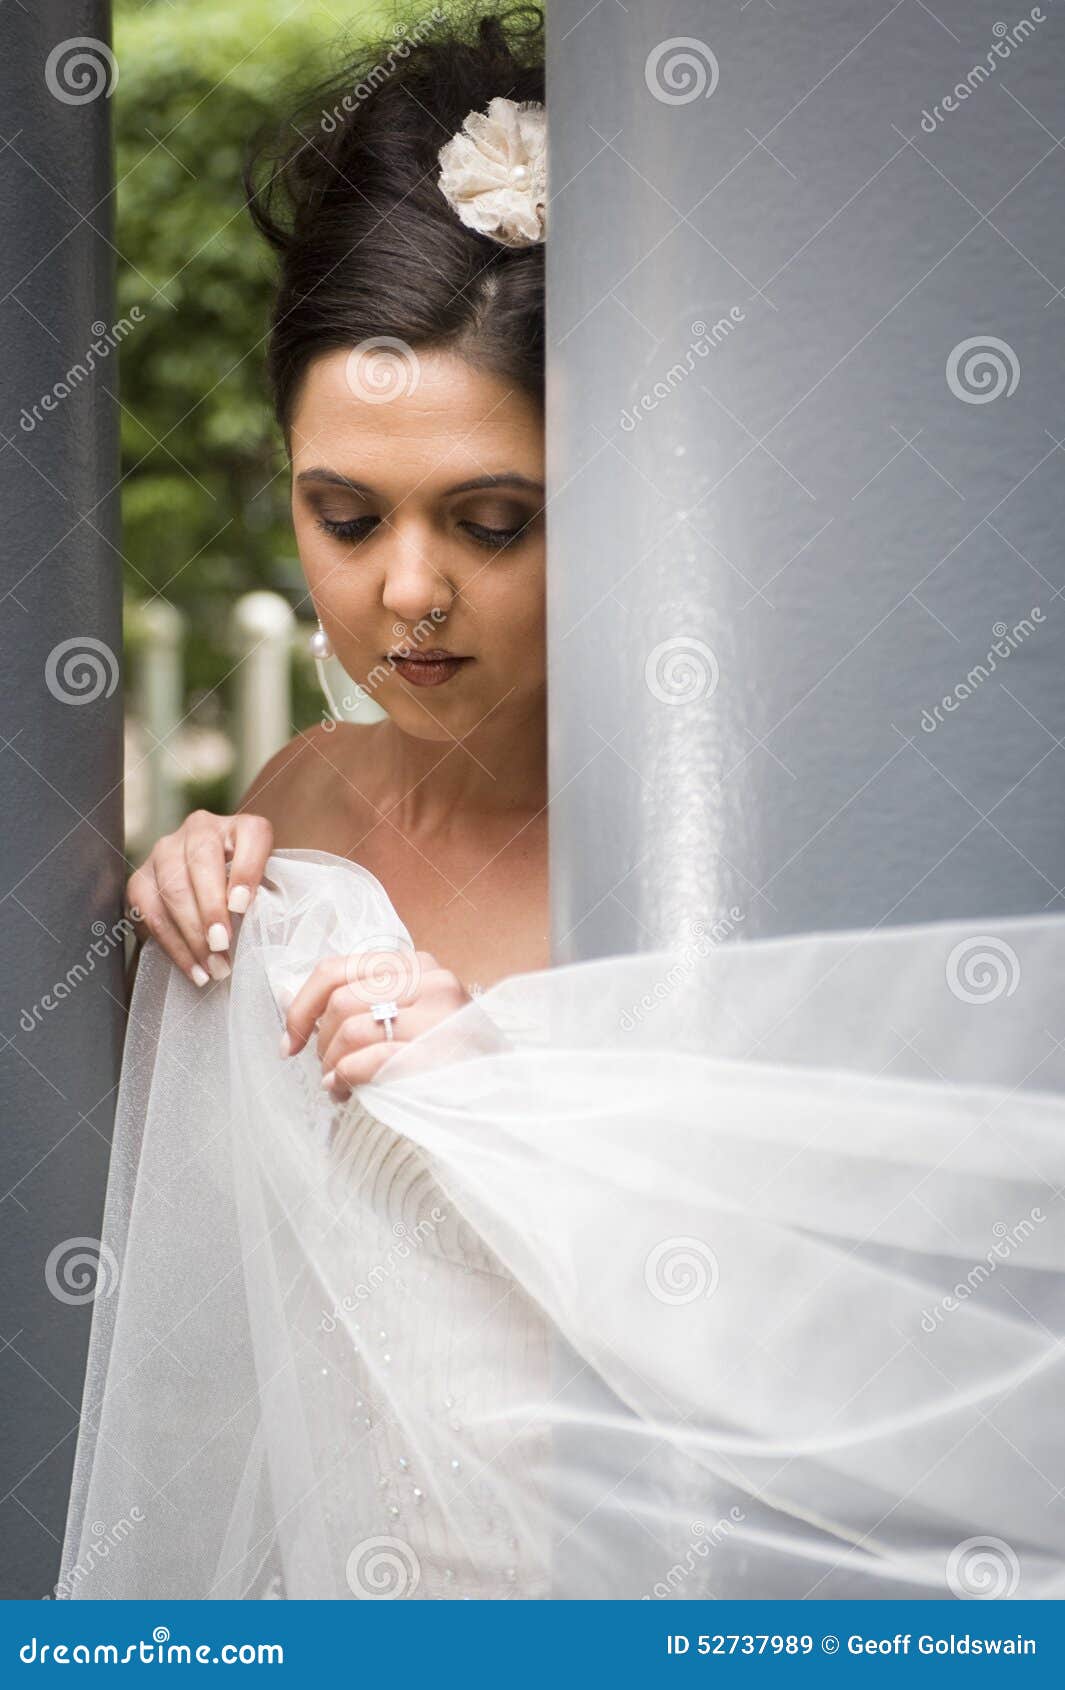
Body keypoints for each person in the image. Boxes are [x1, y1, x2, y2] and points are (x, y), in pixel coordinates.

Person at [127, 5, 550, 1096]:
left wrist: (498, 1101)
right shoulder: (294, 805)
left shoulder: (688, 847)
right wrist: (178, 901)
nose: (410, 592)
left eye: (491, 523)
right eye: (347, 518)